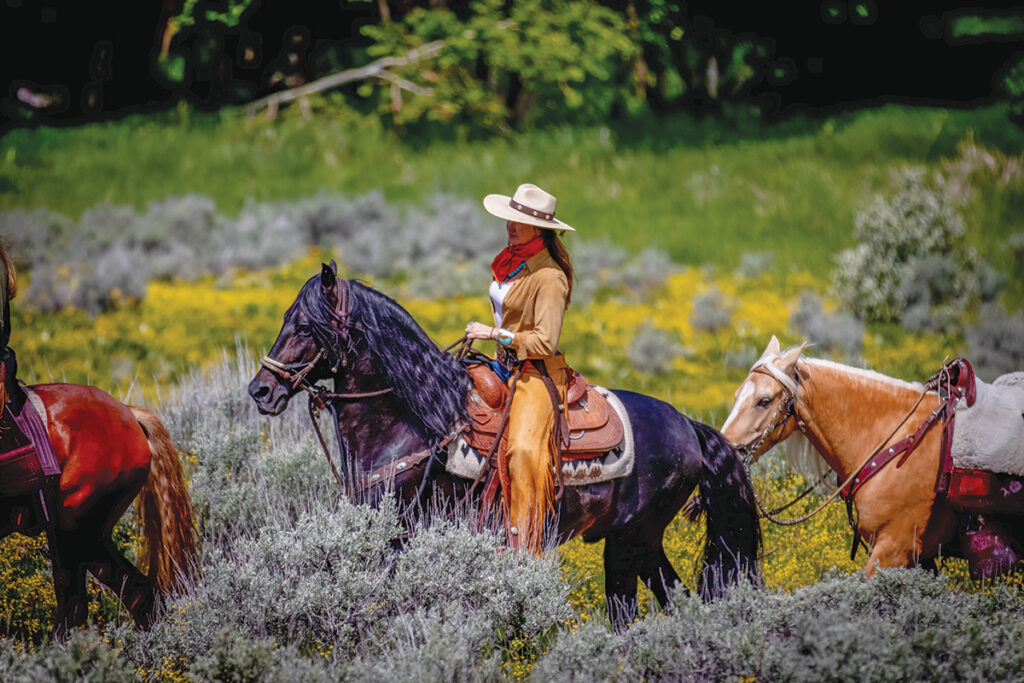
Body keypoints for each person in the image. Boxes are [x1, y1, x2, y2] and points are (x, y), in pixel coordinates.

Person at [464, 183, 575, 554]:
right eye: (509, 218)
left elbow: (544, 341)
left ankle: (524, 547)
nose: (510, 226)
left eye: (519, 221)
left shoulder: (550, 277)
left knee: (523, 452)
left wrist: (493, 333)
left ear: (539, 229)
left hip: (535, 372)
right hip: (502, 364)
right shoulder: (513, 260)